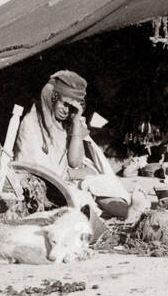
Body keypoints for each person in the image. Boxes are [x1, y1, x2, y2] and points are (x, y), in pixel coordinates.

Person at [13, 70, 142, 220]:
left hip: (66, 180)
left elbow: (75, 162)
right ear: (53, 97)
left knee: (99, 182)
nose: (66, 111)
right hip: (46, 187)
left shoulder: (68, 121)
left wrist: (75, 123)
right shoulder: (31, 124)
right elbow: (35, 171)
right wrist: (72, 174)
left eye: (71, 107)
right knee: (81, 197)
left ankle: (128, 211)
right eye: (64, 104)